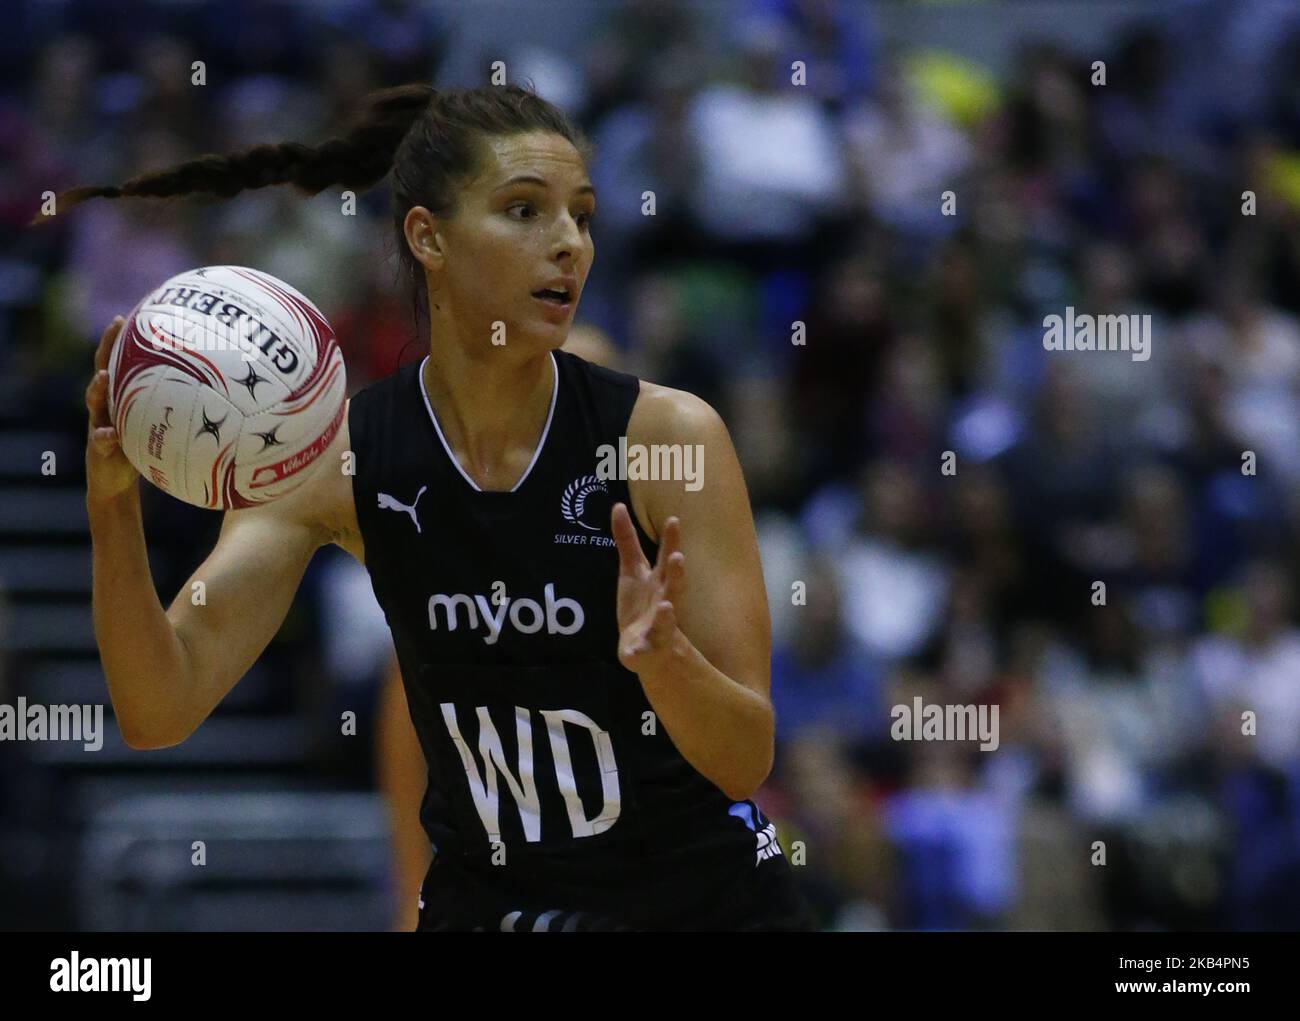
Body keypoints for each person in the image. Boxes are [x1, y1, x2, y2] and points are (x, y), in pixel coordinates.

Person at [69, 82, 815, 931]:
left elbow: (743, 759)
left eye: (582, 215)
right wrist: (113, 509)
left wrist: (664, 660)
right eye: (525, 211)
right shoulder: (338, 460)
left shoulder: (667, 436)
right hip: (495, 907)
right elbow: (158, 706)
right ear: (427, 236)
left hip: (698, 908)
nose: (568, 242)